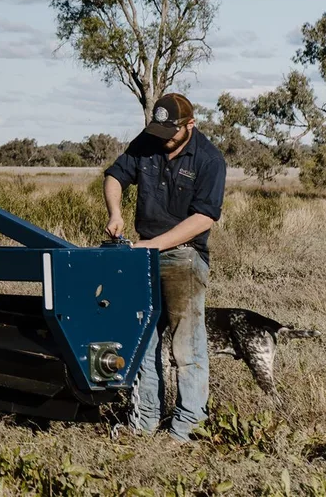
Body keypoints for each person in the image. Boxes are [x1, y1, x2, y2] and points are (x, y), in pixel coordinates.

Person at [102, 92, 226, 442]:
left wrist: (154, 244)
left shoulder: (210, 160)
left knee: (187, 347)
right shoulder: (147, 142)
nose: (164, 139)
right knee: (143, 340)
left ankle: (188, 427)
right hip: (143, 255)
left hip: (185, 257)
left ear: (191, 125)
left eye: (171, 132)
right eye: (160, 131)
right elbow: (114, 176)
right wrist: (116, 212)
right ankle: (145, 421)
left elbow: (204, 218)